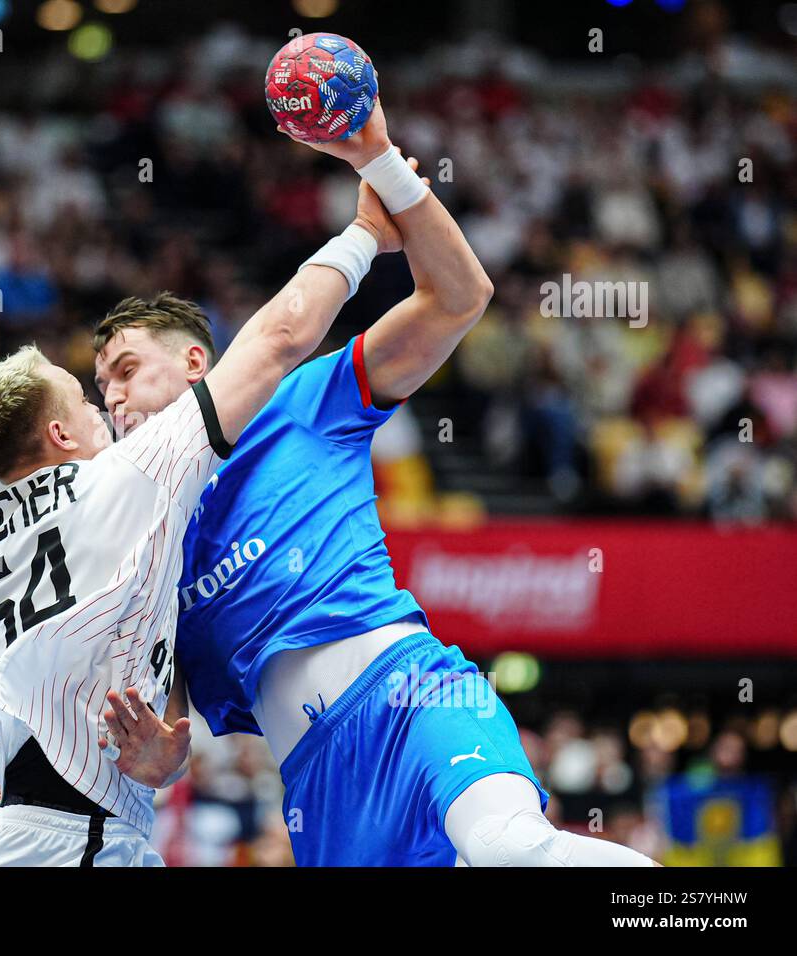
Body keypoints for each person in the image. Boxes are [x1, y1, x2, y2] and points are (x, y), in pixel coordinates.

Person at [94, 99, 657, 867]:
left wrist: (381, 163)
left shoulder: (302, 403)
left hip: (412, 693)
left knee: (509, 849)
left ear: (196, 362)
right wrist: (156, 757)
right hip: (318, 790)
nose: (112, 397)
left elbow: (459, 300)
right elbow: (170, 746)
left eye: (125, 369)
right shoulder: (142, 537)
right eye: (99, 388)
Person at [0, 133, 402, 865]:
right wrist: (366, 237)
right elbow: (279, 338)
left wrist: (167, 743)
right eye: (91, 401)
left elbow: (129, 632)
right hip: (78, 842)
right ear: (62, 431)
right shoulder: (123, 478)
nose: (112, 410)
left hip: (31, 832)